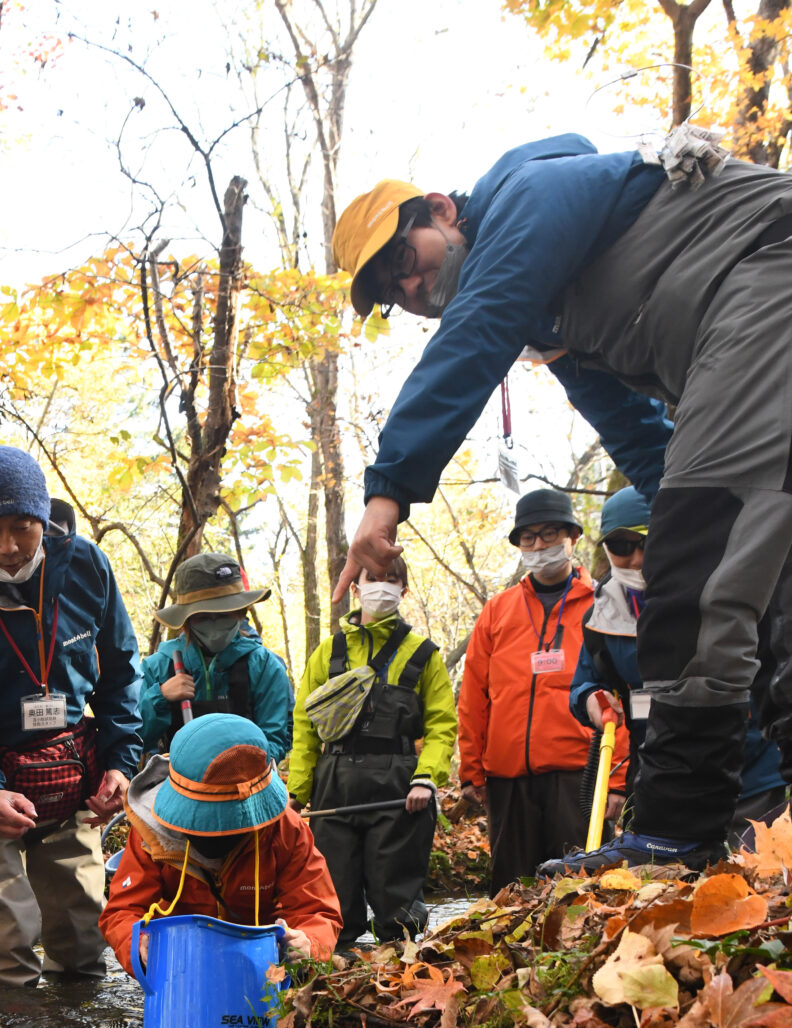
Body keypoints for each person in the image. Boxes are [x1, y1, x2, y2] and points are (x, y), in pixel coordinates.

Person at [331, 129, 792, 870]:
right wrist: (675, 500)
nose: (411, 291)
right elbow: (637, 432)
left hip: (765, 279)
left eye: (403, 262)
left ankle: (677, 831)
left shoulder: (528, 200)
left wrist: (386, 495)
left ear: (442, 210)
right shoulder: (552, 308)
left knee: (698, 566)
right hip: (752, 318)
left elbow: (476, 332)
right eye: (393, 294)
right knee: (766, 568)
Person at [0, 445, 142, 989]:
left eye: (22, 526)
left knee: (84, 939)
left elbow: (121, 676)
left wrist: (120, 764)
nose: (9, 546)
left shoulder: (87, 567)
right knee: (8, 941)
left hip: (70, 778)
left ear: (44, 518)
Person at [564, 487, 785, 859]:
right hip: (658, 778)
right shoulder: (601, 616)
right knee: (667, 882)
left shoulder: (732, 591)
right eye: (621, 545)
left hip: (747, 773)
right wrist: (591, 699)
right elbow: (587, 682)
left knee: (754, 877)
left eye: (648, 542)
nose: (637, 559)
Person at [457, 488, 626, 891]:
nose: (538, 546)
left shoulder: (603, 604)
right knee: (510, 892)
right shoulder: (498, 610)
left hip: (580, 773)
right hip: (508, 777)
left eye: (549, 534)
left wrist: (617, 778)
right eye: (528, 538)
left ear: (572, 538)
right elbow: (474, 695)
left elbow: (621, 695)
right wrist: (471, 770)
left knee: (578, 890)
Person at [288, 554, 455, 948]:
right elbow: (305, 728)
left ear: (404, 590)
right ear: (356, 587)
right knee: (334, 892)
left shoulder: (423, 654)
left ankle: (402, 965)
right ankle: (335, 965)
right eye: (374, 577)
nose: (383, 585)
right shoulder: (327, 652)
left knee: (396, 896)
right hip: (334, 784)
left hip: (400, 789)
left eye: (392, 579)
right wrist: (297, 792)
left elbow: (443, 724)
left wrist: (426, 778)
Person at [100, 713, 341, 975]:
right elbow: (122, 911)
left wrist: (309, 943)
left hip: (264, 966)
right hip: (179, 966)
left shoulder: (284, 830)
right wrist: (138, 945)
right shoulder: (151, 831)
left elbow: (317, 910)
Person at [140, 552, 294, 761]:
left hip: (247, 777)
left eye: (223, 615)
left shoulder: (264, 666)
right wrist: (160, 696)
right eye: (203, 617)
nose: (214, 623)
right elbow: (136, 737)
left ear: (241, 612)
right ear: (186, 620)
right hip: (176, 778)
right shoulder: (158, 667)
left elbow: (276, 739)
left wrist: (234, 767)